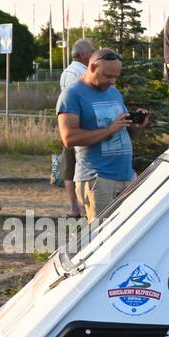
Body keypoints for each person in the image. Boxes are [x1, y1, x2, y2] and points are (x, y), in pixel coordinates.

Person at [56, 49, 150, 220]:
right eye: (107, 76)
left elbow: (127, 134)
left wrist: (138, 126)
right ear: (92, 67)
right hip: (97, 179)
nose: (112, 81)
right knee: (102, 237)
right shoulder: (71, 95)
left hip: (126, 175)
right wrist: (108, 131)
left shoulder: (113, 92)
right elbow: (68, 138)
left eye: (115, 76)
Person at [59, 38, 96, 216]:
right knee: (79, 167)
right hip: (80, 128)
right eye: (92, 51)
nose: (94, 54)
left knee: (69, 167)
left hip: (67, 125)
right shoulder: (83, 73)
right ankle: (82, 207)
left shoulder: (66, 72)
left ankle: (73, 207)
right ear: (83, 55)